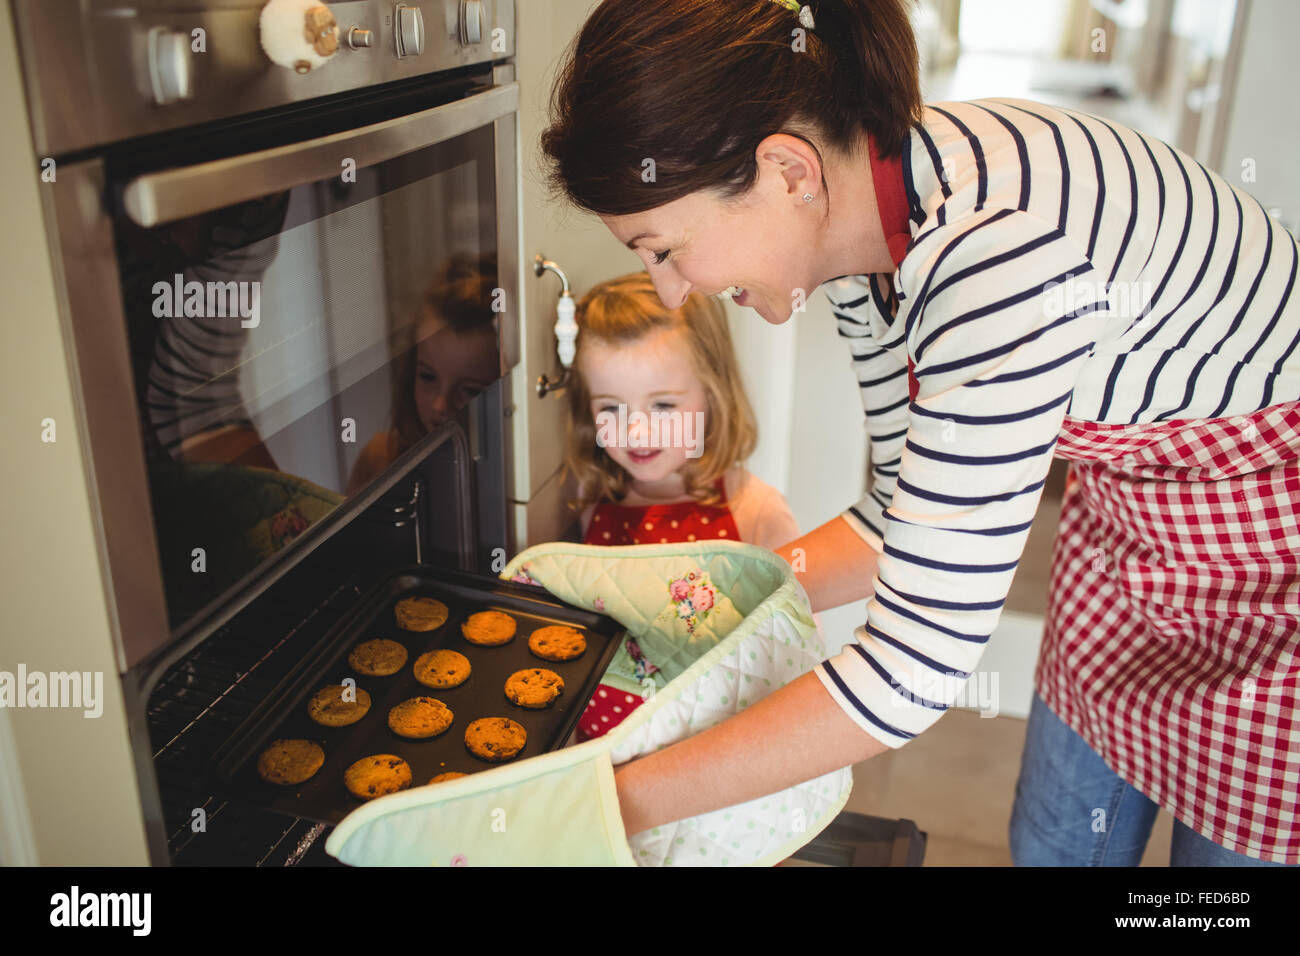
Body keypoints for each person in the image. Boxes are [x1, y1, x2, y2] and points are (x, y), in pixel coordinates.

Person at [540, 0, 1299, 865]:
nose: (670, 290)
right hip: (1127, 540)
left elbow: (915, 668)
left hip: (1275, 571)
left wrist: (603, 799)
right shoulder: (868, 232)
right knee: (1056, 845)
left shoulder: (996, 256)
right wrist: (708, 594)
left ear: (788, 172)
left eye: (665, 249)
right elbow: (898, 510)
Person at [559, 271, 801, 740]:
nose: (636, 432)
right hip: (606, 761)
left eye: (663, 406)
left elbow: (792, 653)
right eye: (610, 407)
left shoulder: (757, 512)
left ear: (711, 393)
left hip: (712, 770)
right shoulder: (593, 507)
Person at [346, 253, 500, 495]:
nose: (440, 405)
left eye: (470, 390)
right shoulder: (381, 459)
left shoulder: (511, 477)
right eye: (428, 377)